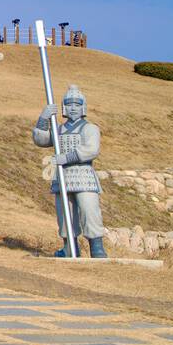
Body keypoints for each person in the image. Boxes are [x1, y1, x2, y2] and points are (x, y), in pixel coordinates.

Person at [33, 85, 106, 258]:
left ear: (83, 107)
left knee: (90, 211)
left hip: (84, 175)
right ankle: (69, 248)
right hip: (63, 177)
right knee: (65, 215)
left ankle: (97, 247)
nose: (73, 108)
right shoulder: (58, 130)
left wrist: (66, 158)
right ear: (64, 107)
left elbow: (92, 149)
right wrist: (43, 118)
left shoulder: (90, 128)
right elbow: (41, 139)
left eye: (77, 104)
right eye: (69, 104)